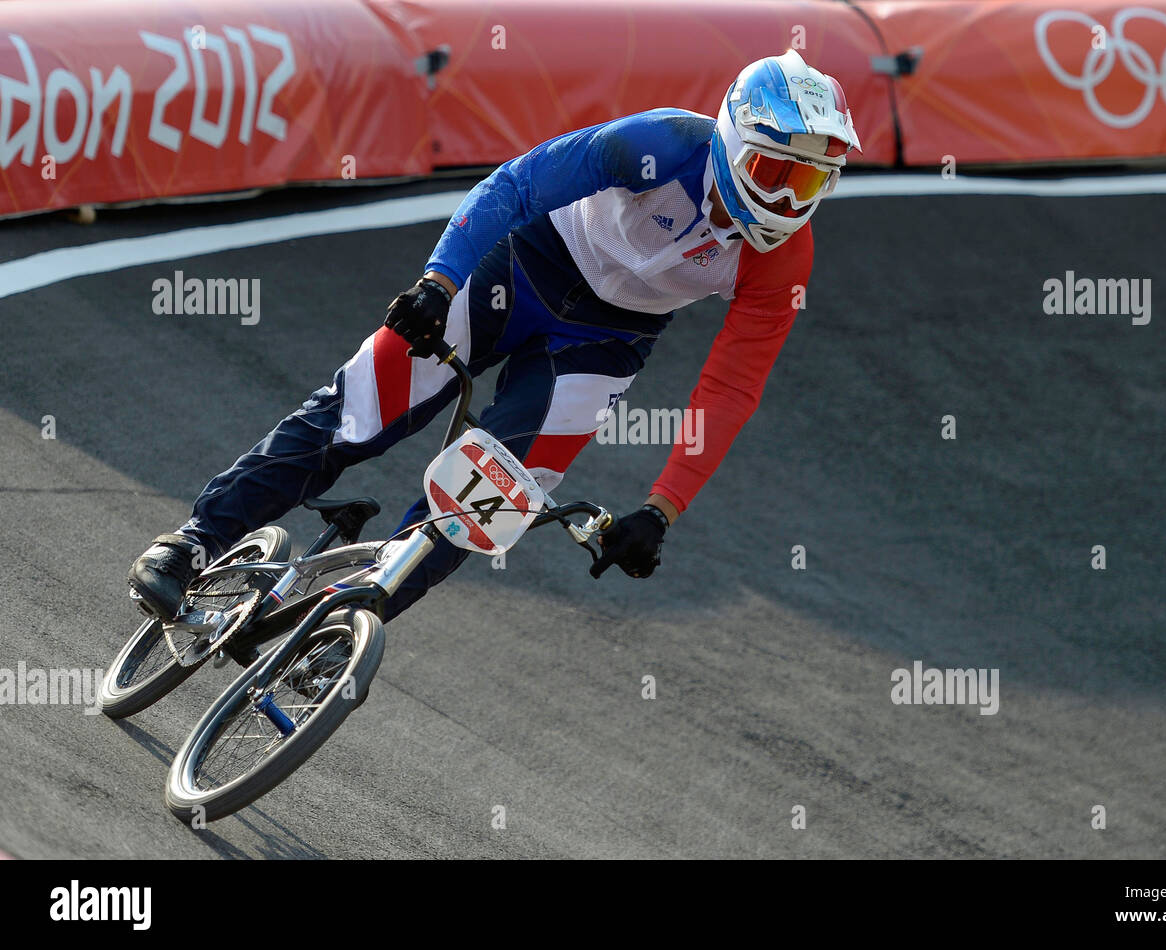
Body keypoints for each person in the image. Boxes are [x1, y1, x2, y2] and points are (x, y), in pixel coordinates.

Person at [128, 49, 860, 626]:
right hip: (523, 267)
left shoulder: (785, 254)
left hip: (602, 344)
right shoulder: (660, 144)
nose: (790, 201)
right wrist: (439, 282)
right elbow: (514, 185)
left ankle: (339, 633)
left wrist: (662, 509)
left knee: (485, 506)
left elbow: (732, 385)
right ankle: (192, 541)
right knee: (362, 410)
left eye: (812, 184)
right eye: (775, 172)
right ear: (733, 140)